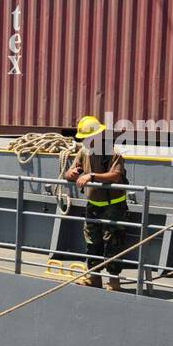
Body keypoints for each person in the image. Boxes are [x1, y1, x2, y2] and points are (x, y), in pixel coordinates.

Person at [63, 114, 129, 290]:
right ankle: (93, 278)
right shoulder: (84, 152)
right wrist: (73, 174)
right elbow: (68, 173)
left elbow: (115, 175)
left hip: (114, 207)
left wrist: (92, 176)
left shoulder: (113, 153)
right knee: (93, 243)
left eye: (87, 138)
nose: (85, 141)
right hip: (93, 207)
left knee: (113, 244)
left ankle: (114, 282)